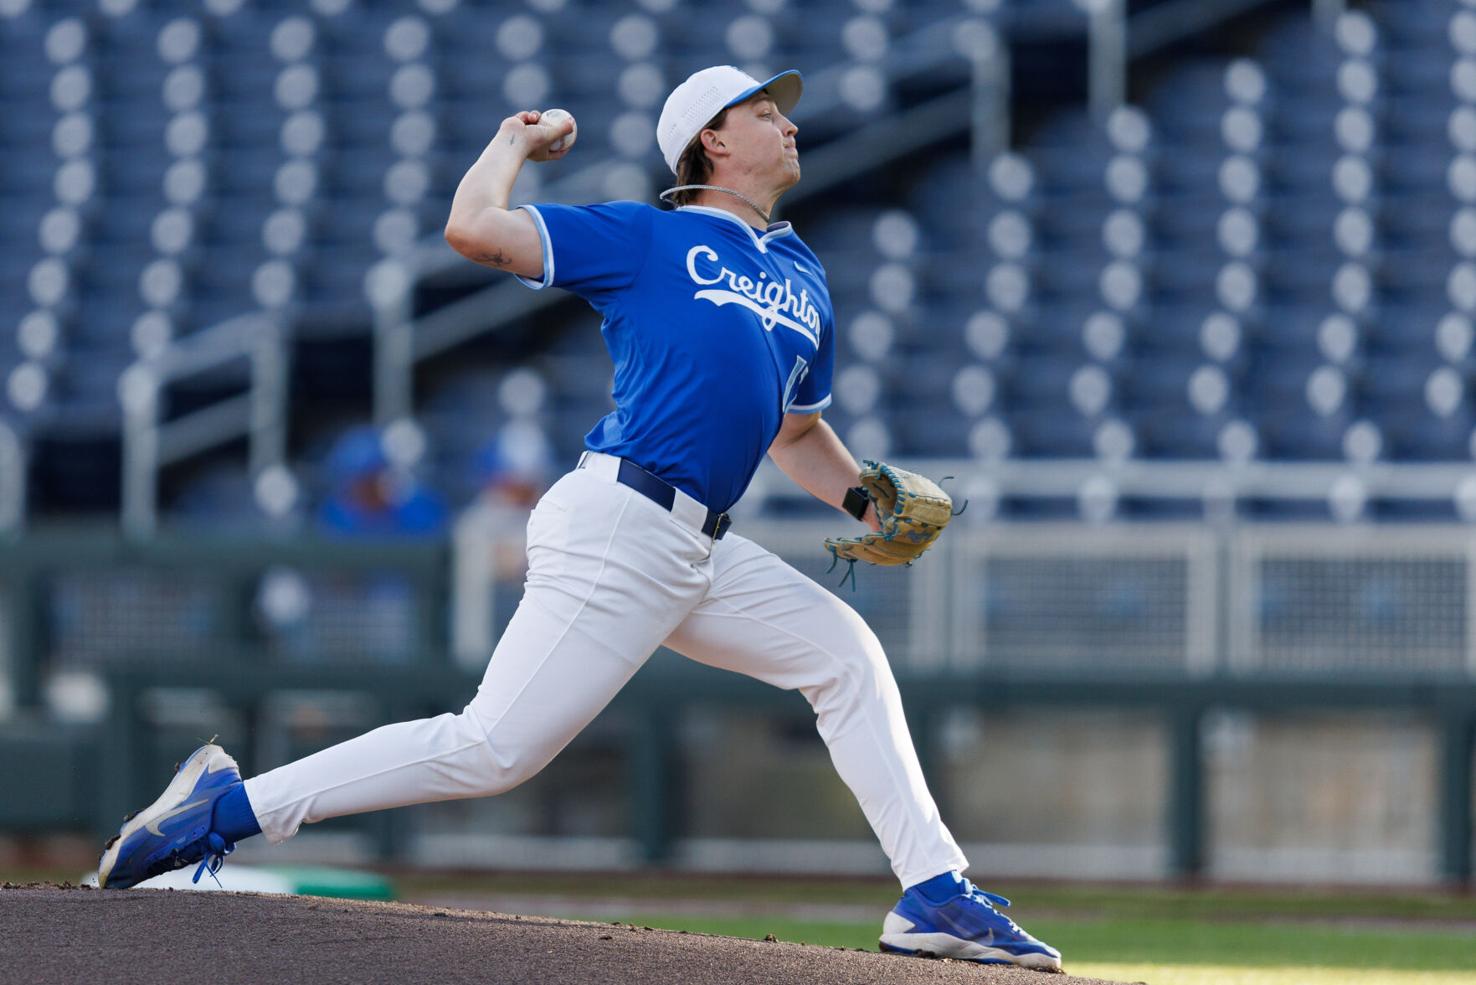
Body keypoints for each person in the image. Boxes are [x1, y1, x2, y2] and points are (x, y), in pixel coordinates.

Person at [96, 66, 1061, 973]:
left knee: (846, 655)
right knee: (489, 748)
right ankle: (222, 812)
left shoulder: (803, 272)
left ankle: (933, 892)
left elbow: (796, 433)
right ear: (714, 141)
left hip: (699, 547)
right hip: (622, 521)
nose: (790, 123)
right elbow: (473, 228)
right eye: (765, 112)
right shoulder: (645, 237)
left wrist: (864, 498)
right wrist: (515, 141)